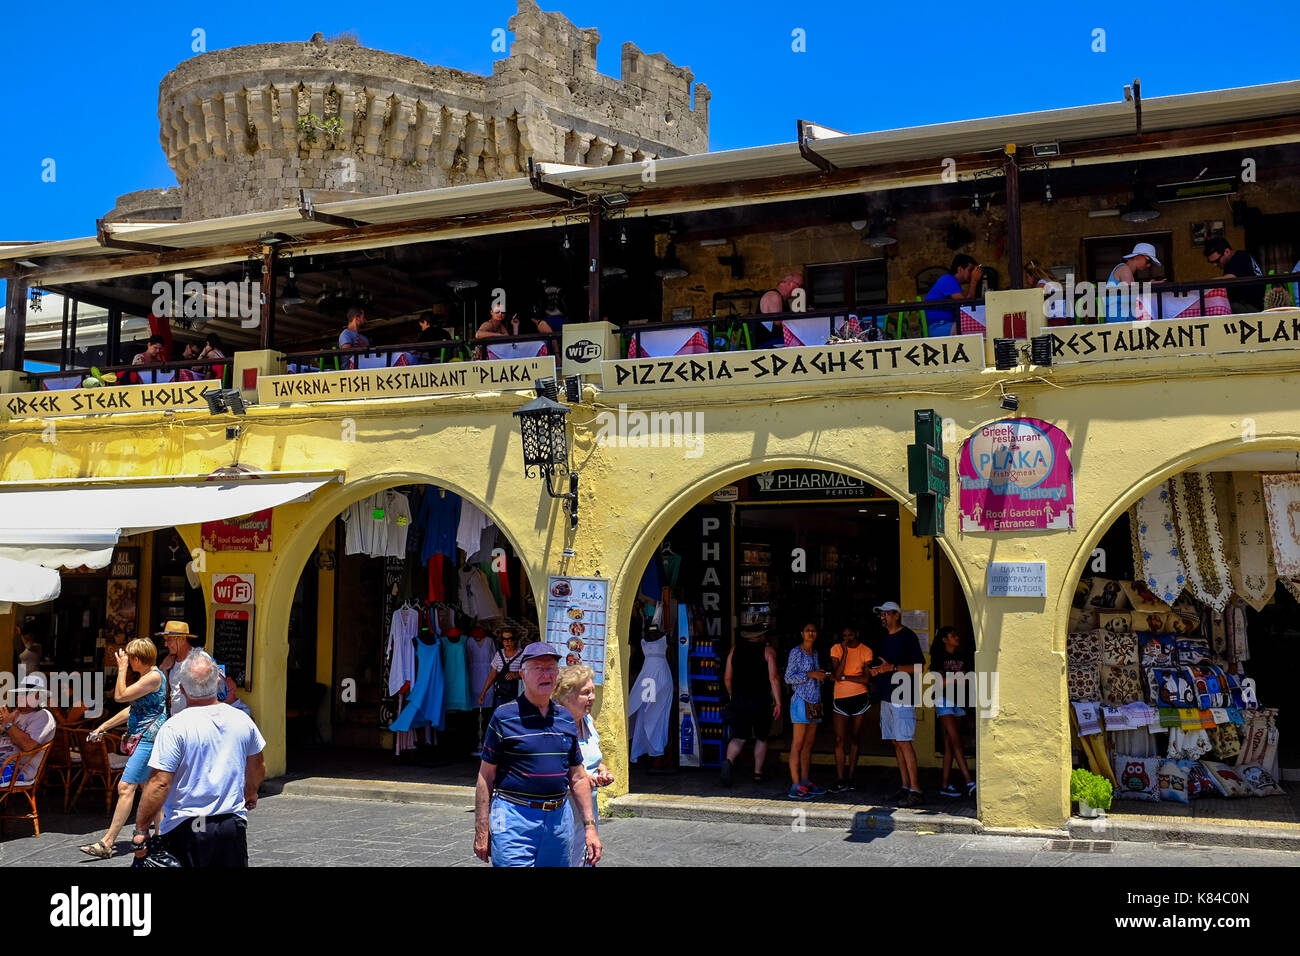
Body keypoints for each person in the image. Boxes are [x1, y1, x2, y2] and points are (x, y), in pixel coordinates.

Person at [131, 651, 266, 867]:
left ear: (182, 688)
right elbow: (258, 765)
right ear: (217, 684)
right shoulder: (242, 719)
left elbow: (160, 782)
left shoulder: (175, 726)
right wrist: (250, 791)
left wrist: (141, 829)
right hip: (230, 823)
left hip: (188, 825)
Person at [474, 642, 601, 867]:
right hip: (514, 818)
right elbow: (486, 776)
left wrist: (590, 827)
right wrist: (482, 828)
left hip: (558, 823)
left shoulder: (565, 718)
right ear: (522, 674)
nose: (546, 674)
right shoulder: (504, 716)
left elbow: (578, 777)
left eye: (551, 668)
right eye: (538, 668)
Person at [78, 639, 168, 859]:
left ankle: (107, 842)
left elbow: (119, 696)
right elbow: (132, 708)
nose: (126, 660)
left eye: (129, 658)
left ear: (137, 659)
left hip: (149, 739)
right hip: (146, 738)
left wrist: (121, 669)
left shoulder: (154, 677)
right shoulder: (148, 678)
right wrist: (103, 726)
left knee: (126, 787)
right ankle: (164, 837)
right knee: (150, 791)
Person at [553, 663, 614, 867]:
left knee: (585, 860)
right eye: (586, 693)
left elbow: (594, 758)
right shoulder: (555, 727)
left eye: (593, 691)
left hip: (588, 809)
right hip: (563, 810)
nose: (592, 697)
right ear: (567, 696)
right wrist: (585, 779)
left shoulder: (589, 722)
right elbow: (550, 769)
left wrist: (602, 770)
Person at [868, 601, 926, 806]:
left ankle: (916, 790)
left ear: (896, 615)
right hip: (887, 697)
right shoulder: (885, 638)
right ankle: (905, 786)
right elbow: (885, 666)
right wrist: (877, 671)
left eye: (886, 614)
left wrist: (891, 668)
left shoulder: (908, 636)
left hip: (904, 697)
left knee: (904, 742)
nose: (883, 617)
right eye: (881, 614)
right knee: (895, 742)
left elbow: (919, 667)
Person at [720, 625, 781, 786]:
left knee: (739, 737)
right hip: (761, 701)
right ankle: (758, 773)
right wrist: (778, 702)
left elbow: (727, 677)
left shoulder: (735, 650)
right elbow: (774, 678)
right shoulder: (768, 651)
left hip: (739, 700)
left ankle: (728, 761)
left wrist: (733, 695)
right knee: (761, 737)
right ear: (761, 636)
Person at [930, 626, 976, 799]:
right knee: (956, 740)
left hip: (960, 701)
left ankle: (945, 784)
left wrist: (950, 678)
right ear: (944, 639)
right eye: (953, 635)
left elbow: (968, 679)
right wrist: (958, 677)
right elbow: (939, 684)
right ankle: (969, 781)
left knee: (950, 743)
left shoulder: (962, 655)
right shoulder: (938, 657)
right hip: (943, 700)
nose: (957, 637)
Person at [784, 623, 828, 800]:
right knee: (798, 744)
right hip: (801, 701)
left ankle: (805, 780)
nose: (811, 633)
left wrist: (821, 675)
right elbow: (788, 677)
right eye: (808, 630)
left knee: (808, 746)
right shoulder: (796, 652)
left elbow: (815, 675)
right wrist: (811, 674)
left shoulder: (815, 653)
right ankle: (795, 785)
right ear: (802, 633)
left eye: (814, 630)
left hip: (815, 701)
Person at [828, 625, 873, 793]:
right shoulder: (836, 649)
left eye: (850, 635)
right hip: (840, 699)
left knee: (855, 738)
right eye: (844, 635)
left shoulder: (866, 651)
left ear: (857, 634)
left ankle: (852, 776)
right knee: (839, 740)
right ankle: (840, 778)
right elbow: (837, 675)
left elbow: (867, 679)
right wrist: (845, 654)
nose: (847, 638)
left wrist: (846, 677)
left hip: (860, 698)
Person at [158, 620, 234, 715]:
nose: (166, 644)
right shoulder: (169, 661)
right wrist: (163, 669)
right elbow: (164, 694)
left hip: (199, 718)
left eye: (169, 640)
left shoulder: (202, 658)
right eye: (165, 640)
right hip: (177, 719)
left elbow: (221, 690)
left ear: (182, 639)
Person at [0, 674, 57, 786]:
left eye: (24, 693)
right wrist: (3, 725)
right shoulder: (16, 714)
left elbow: (27, 745)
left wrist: (8, 725)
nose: (19, 697)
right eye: (18, 693)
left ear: (37, 696)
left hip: (19, 768)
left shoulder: (43, 716)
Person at [924, 254, 982, 337]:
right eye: (970, 270)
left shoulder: (952, 282)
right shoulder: (948, 279)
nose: (972, 273)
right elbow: (965, 305)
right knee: (971, 330)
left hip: (943, 324)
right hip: (937, 326)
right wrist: (974, 281)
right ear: (960, 269)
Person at [1204, 237, 1264, 312]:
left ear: (1227, 252)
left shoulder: (1240, 257)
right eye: (1212, 263)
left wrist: (1204, 284)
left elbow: (1230, 278)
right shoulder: (1231, 262)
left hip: (1252, 306)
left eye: (1217, 261)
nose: (1215, 265)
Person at [1104, 242, 1161, 321]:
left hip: (1122, 318)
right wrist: (1148, 285)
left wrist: (1148, 285)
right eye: (1148, 261)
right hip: (1119, 319)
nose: (1148, 265)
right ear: (1137, 256)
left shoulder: (1127, 271)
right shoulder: (1124, 268)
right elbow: (1130, 291)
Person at [755, 272, 803, 348]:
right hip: (769, 344)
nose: (800, 290)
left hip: (777, 341)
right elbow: (778, 322)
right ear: (789, 283)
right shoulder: (773, 296)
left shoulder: (783, 299)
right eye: (799, 285)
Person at [480, 628, 523, 709]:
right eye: (504, 639)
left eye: (510, 639)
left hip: (517, 697)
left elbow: (529, 673)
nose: (507, 642)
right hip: (501, 696)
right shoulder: (498, 654)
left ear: (515, 640)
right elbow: (492, 675)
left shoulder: (523, 655)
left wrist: (517, 674)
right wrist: (483, 693)